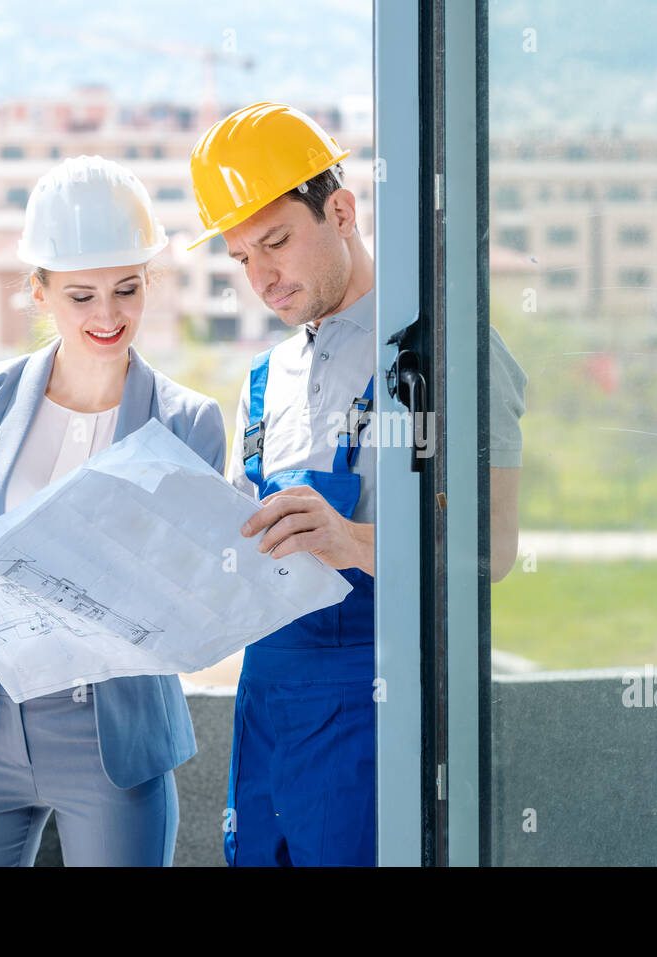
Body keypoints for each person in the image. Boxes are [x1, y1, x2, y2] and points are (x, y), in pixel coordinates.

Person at [186, 102, 526, 866]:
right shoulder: (264, 381)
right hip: (264, 712)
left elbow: (495, 550)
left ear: (341, 210)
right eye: (241, 257)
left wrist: (353, 540)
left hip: (368, 719)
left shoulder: (450, 354)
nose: (262, 276)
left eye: (275, 241)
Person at [0, 155, 227, 866]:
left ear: (148, 282)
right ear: (38, 291)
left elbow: (190, 589)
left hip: (112, 739)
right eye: (81, 296)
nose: (107, 316)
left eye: (126, 290)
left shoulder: (190, 423)